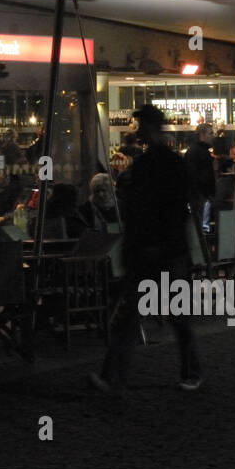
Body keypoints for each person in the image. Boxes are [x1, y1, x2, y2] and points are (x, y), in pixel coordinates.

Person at [89, 104, 200, 395]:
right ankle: (189, 371)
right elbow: (179, 209)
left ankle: (113, 376)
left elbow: (152, 210)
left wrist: (142, 243)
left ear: (149, 128)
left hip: (154, 248)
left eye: (139, 126)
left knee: (133, 315)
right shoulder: (170, 163)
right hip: (167, 248)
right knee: (173, 316)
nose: (136, 131)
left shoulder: (152, 165)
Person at [184, 123, 217, 235]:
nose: (213, 136)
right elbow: (199, 175)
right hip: (200, 195)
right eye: (211, 133)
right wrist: (208, 192)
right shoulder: (201, 152)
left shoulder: (194, 150)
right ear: (202, 134)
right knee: (200, 225)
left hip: (198, 194)